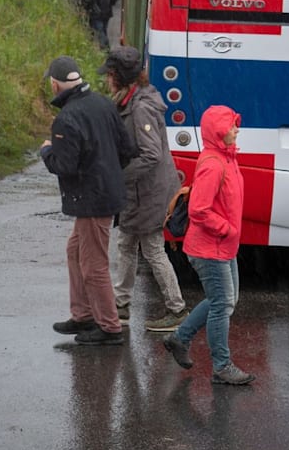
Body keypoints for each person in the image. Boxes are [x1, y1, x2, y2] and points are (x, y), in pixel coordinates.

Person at [39, 56, 135, 347]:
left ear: (55, 84)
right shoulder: (104, 104)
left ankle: (109, 326)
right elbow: (127, 150)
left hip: (91, 200)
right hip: (104, 193)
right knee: (74, 251)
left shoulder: (66, 118)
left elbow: (64, 165)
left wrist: (46, 152)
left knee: (94, 264)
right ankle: (82, 315)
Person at [162, 106, 255, 386]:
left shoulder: (227, 158)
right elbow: (199, 210)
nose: (236, 130)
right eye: (231, 126)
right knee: (222, 304)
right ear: (218, 131)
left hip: (222, 245)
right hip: (209, 248)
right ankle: (221, 366)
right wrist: (226, 229)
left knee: (225, 301)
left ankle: (179, 338)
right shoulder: (214, 164)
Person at [101, 47, 187, 331]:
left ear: (119, 78)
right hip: (140, 192)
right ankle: (121, 305)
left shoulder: (140, 108)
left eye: (109, 75)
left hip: (146, 193)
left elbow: (151, 155)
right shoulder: (132, 100)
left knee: (152, 250)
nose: (106, 80)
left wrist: (119, 177)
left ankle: (176, 310)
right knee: (127, 244)